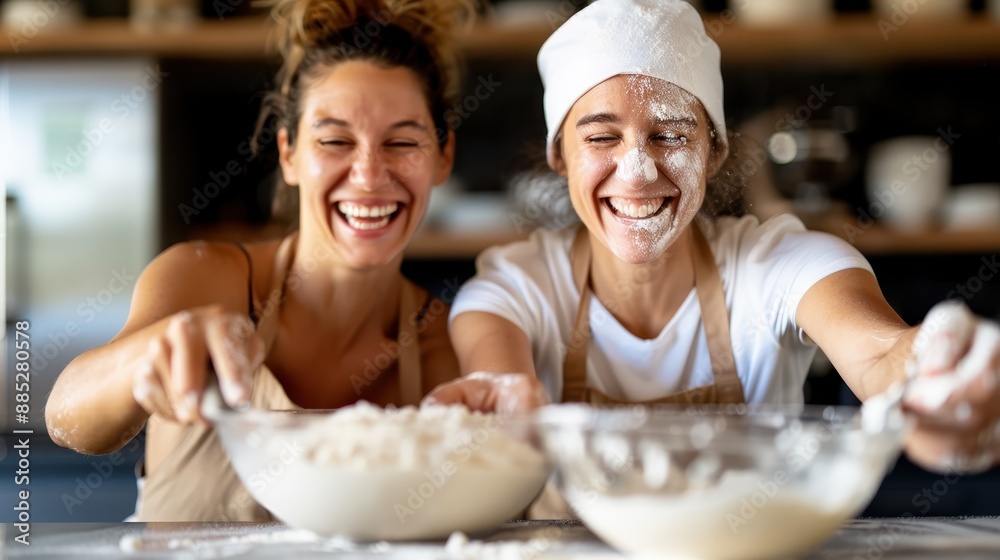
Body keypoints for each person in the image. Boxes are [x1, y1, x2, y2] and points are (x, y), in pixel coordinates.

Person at [426, 0, 1000, 477]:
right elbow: (497, 380)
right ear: (560, 157)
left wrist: (933, 378)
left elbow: (879, 351)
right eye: (602, 138)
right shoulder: (513, 285)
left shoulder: (778, 263)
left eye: (670, 134)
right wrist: (501, 408)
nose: (638, 171)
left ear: (715, 151)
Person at [45, 0, 474, 521]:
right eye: (335, 140)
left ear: (443, 157)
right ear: (289, 153)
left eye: (402, 141)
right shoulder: (203, 276)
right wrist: (147, 356)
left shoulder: (451, 347)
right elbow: (67, 418)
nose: (368, 174)